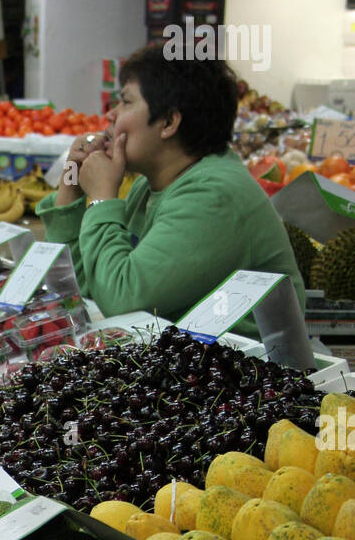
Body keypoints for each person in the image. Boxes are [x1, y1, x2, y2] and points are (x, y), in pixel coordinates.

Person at [36, 45, 304, 337]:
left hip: (248, 374)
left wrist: (101, 197)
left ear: (168, 122)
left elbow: (121, 299)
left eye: (126, 102)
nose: (112, 115)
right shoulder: (149, 186)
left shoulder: (213, 196)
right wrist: (70, 184)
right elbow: (83, 286)